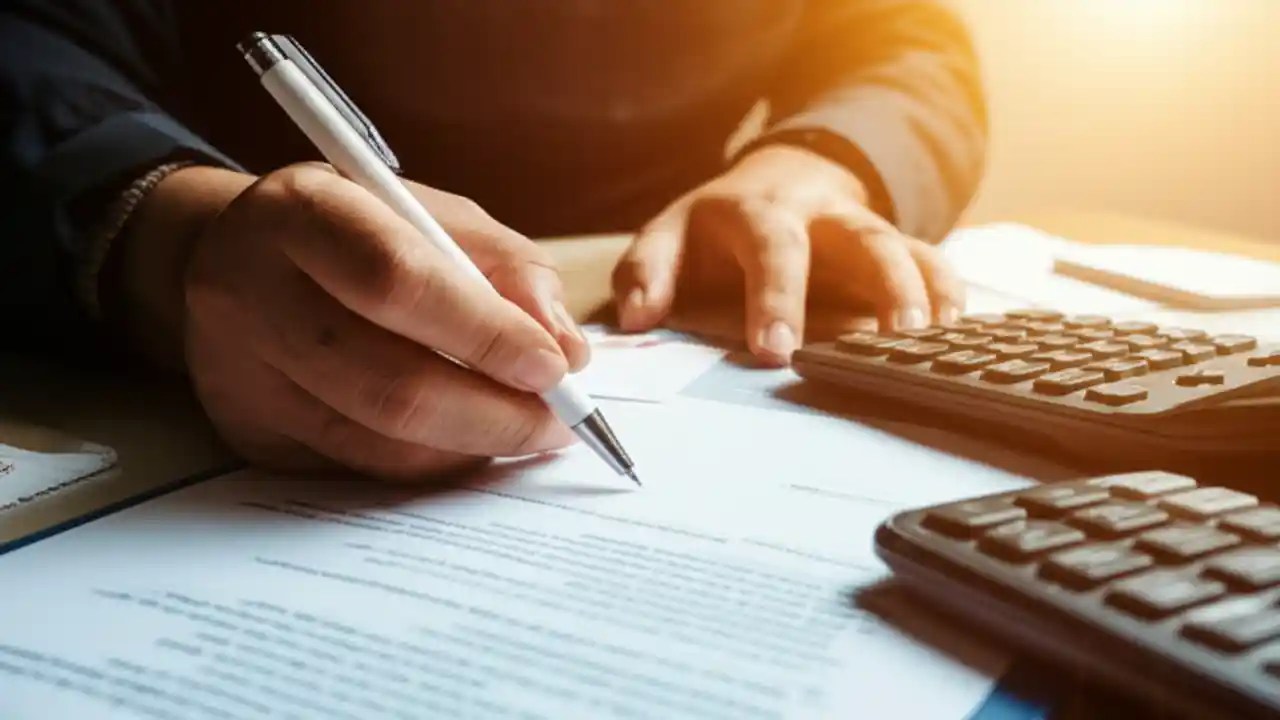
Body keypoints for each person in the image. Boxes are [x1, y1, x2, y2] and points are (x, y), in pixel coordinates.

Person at [0, 2, 986, 480]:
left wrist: (817, 164)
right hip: (233, 334)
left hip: (661, 292)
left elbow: (899, 38)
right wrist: (171, 232)